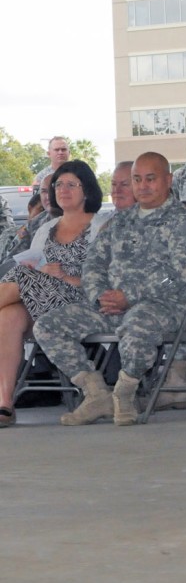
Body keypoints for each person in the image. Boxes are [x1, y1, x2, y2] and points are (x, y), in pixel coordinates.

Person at [34, 153, 186, 427]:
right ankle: (96, 394)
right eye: (137, 179)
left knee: (138, 324)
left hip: (163, 307)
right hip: (110, 306)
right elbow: (94, 263)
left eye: (151, 179)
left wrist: (129, 296)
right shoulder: (121, 221)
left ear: (168, 180)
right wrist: (99, 295)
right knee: (47, 325)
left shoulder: (185, 222)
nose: (143, 186)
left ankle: (124, 392)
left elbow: (179, 273)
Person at [0, 162, 107, 427]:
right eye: (59, 185)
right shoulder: (46, 228)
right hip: (42, 300)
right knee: (9, 314)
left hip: (80, 301)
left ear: (87, 189)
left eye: (71, 184)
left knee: (22, 277)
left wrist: (66, 277)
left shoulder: (102, 226)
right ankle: (4, 404)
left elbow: (108, 280)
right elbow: (33, 264)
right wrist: (39, 270)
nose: (63, 190)